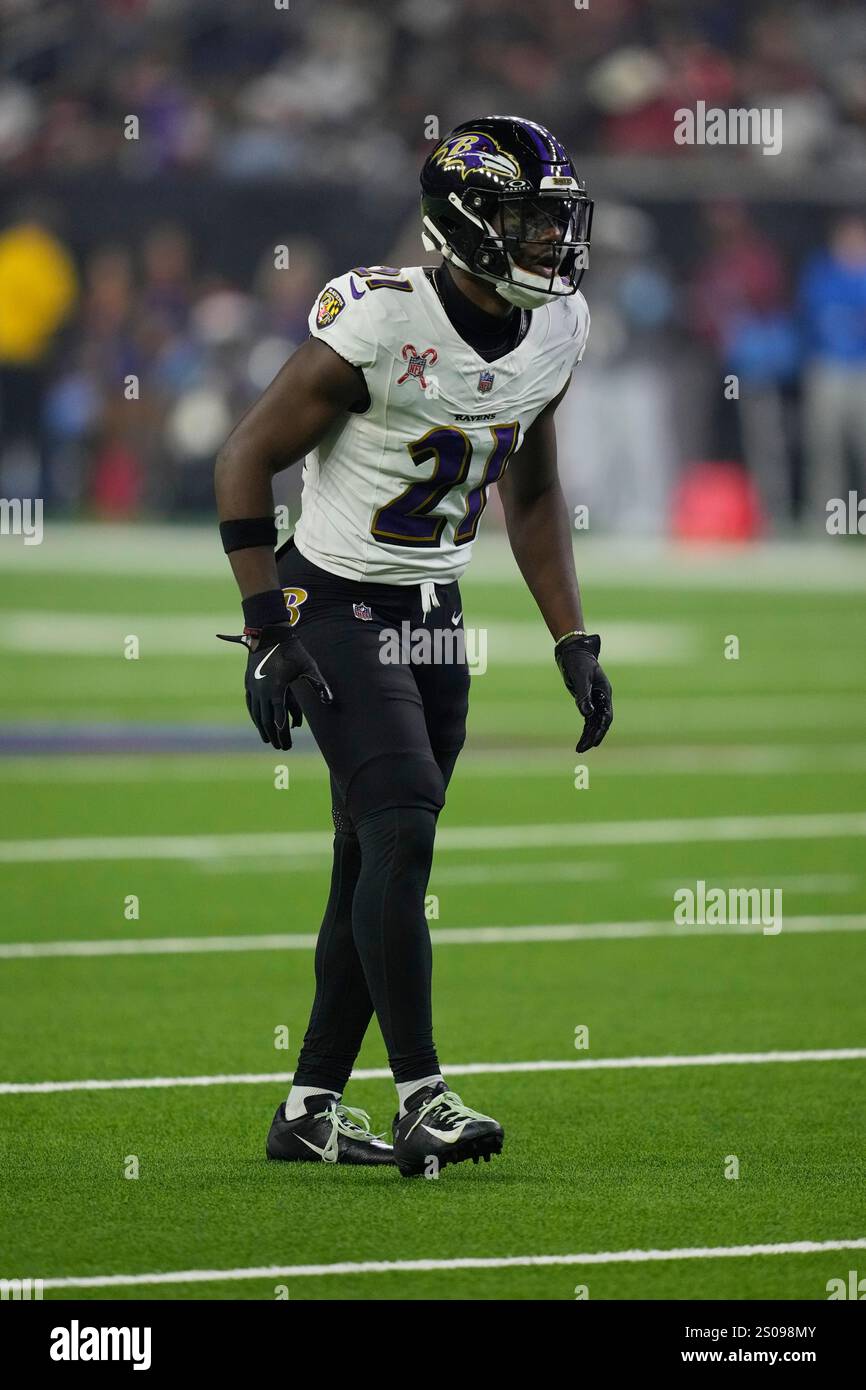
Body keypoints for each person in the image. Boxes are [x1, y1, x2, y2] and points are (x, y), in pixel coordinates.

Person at [215, 116, 613, 1178]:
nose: (547, 241)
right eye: (527, 220)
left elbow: (530, 493)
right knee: (398, 831)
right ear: (466, 221)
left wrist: (569, 635)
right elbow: (244, 458)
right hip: (332, 599)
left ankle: (307, 1106)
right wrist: (267, 629)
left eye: (553, 220)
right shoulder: (385, 320)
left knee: (369, 856)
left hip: (433, 613)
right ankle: (421, 1093)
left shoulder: (556, 328)